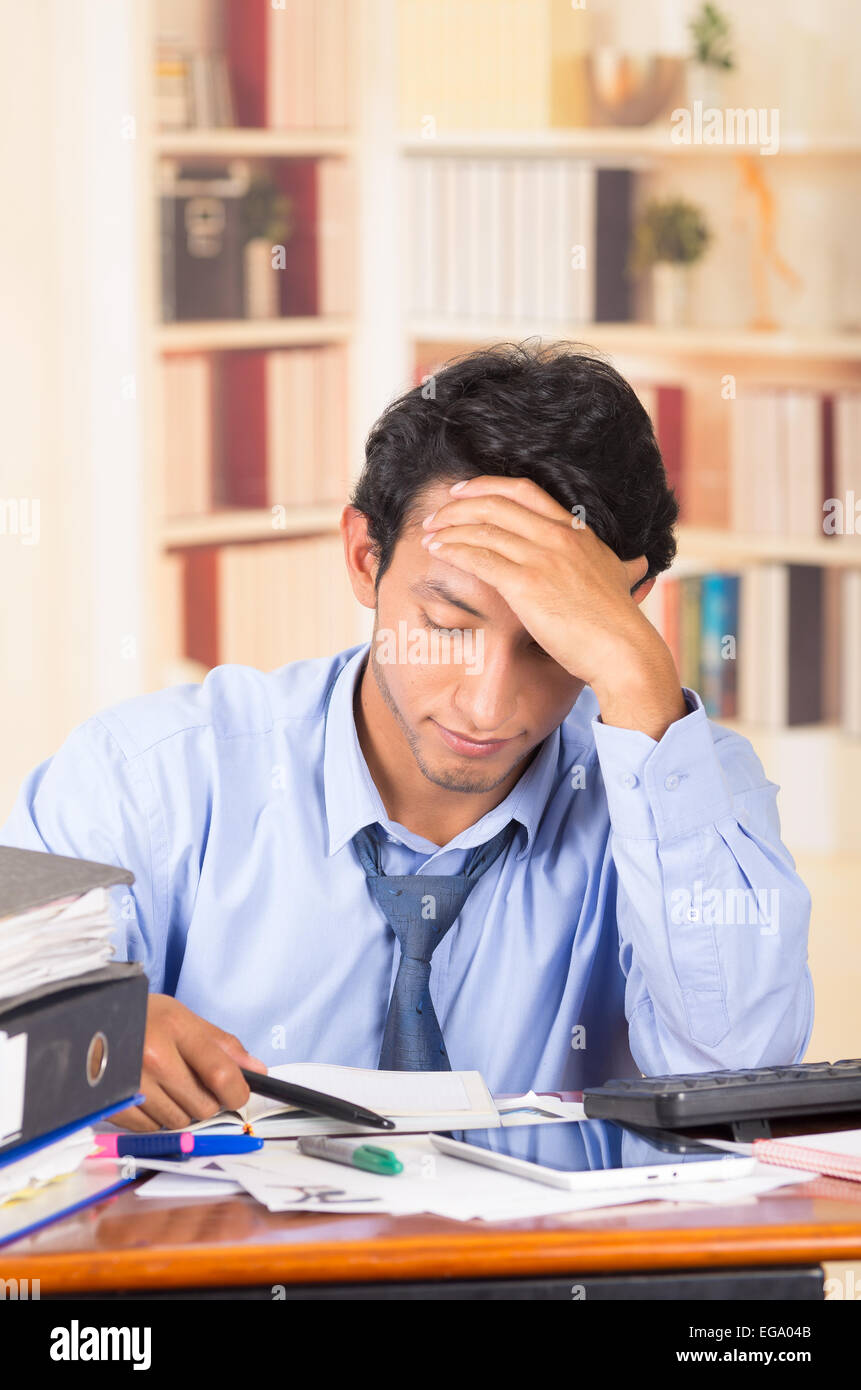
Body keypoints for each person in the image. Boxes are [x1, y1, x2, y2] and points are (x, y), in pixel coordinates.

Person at [0, 343, 813, 1131]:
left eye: (549, 641)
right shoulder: (145, 778)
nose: (487, 706)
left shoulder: (681, 784)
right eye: (446, 623)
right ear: (364, 556)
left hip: (546, 1268)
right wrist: (83, 1046)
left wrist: (638, 677)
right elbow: (17, 1033)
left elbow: (732, 1083)